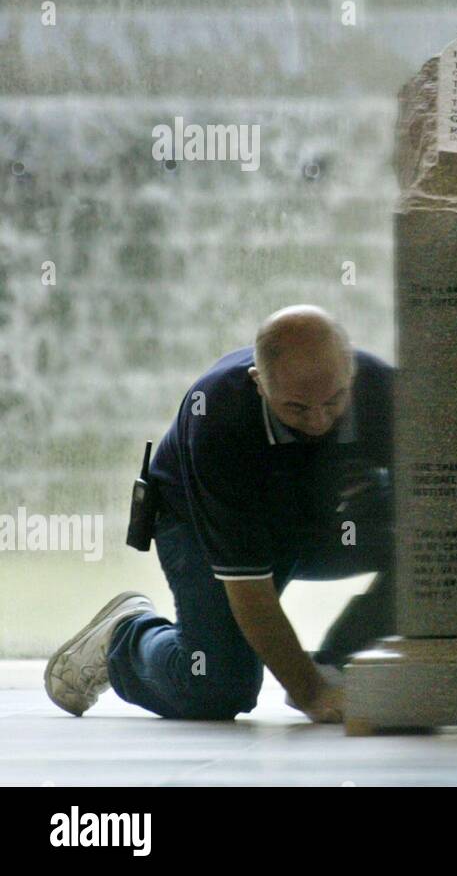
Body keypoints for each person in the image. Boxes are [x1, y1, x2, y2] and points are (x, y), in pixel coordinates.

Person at [44, 306, 394, 724]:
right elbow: (250, 591)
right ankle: (126, 638)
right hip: (198, 525)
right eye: (297, 409)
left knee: (434, 546)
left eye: (334, 400)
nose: (319, 420)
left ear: (351, 371)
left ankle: (338, 662)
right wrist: (311, 693)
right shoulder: (216, 417)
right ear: (258, 382)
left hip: (309, 520)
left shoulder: (383, 390)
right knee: (216, 687)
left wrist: (330, 679)